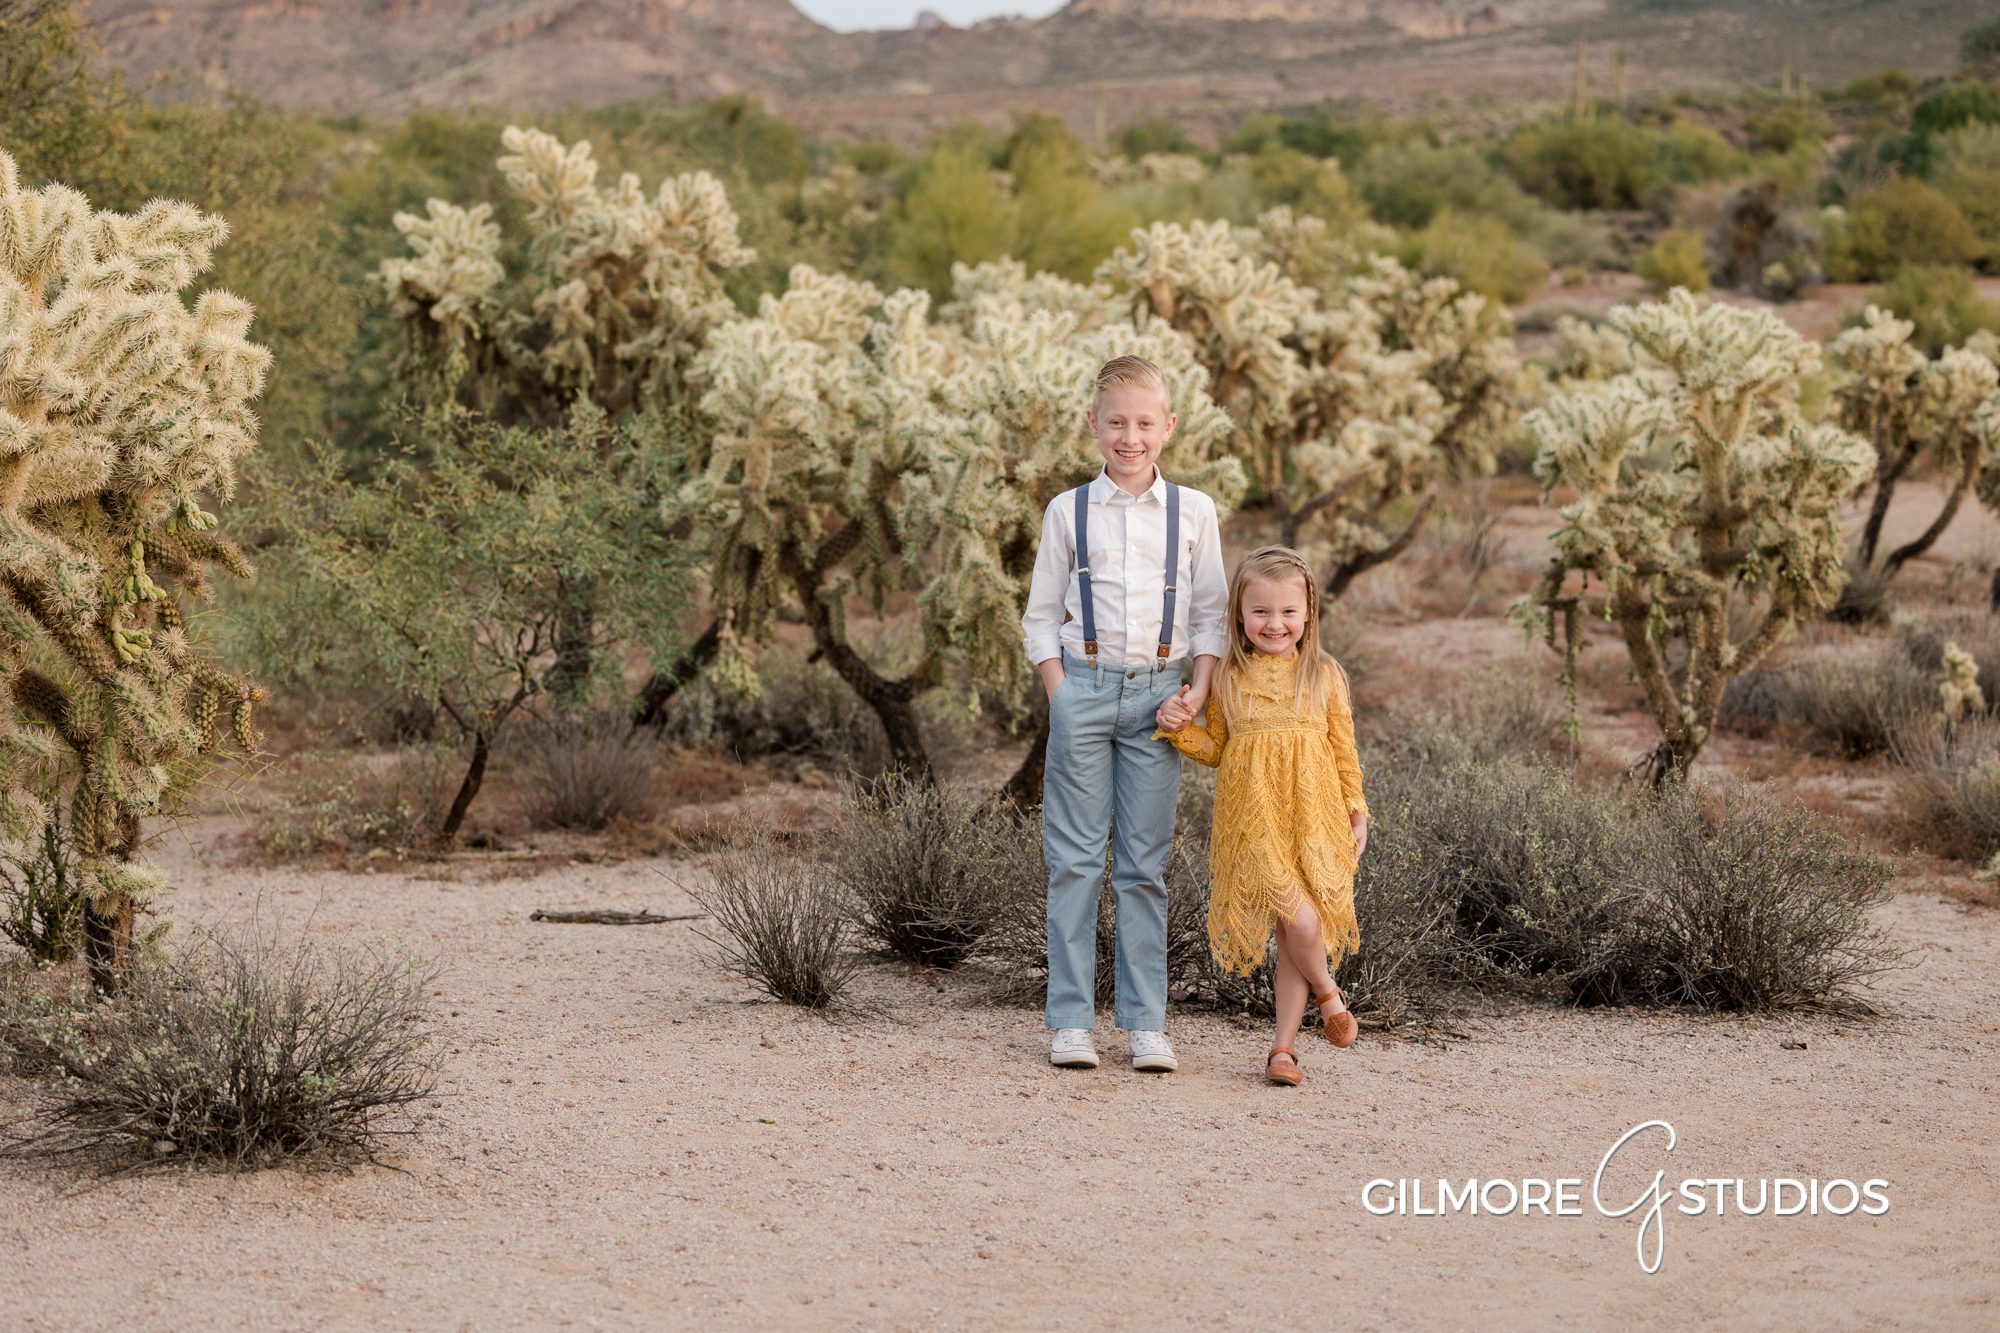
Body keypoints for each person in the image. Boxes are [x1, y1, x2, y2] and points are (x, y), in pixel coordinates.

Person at [1020, 355, 1228, 1073]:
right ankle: (1071, 1022)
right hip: (1082, 688)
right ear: (1093, 425)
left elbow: (1211, 614)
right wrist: (1061, 694)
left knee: (1143, 866)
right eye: (1116, 423)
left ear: (1168, 426)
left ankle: (1145, 1025)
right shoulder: (1068, 510)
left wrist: (1198, 691)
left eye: (1143, 423)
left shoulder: (1194, 511)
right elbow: (1040, 616)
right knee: (1074, 862)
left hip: (1161, 699)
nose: (1129, 437)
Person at [1153, 545, 1368, 1086]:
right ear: (1239, 615)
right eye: (1261, 612)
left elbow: (1344, 751)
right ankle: (1329, 994)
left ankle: (1282, 1051)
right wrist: (1178, 728)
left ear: (1308, 614)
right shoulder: (1229, 675)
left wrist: (1356, 811)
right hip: (1253, 817)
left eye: (1288, 611)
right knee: (1301, 919)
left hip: (1314, 814)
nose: (1275, 624)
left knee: (1293, 932)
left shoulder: (1323, 674)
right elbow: (1218, 748)